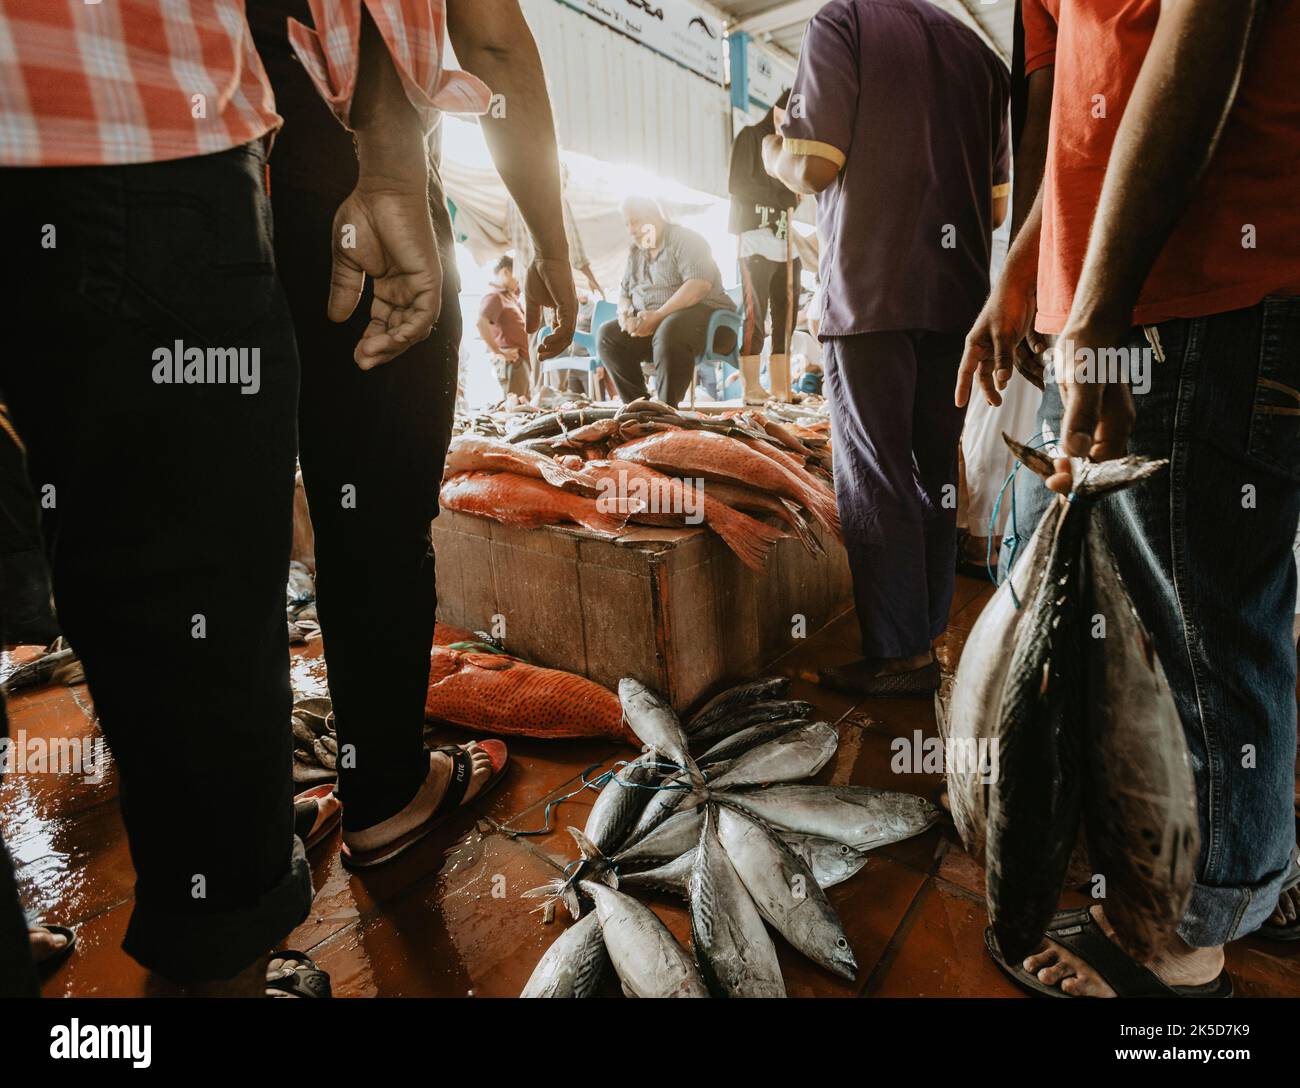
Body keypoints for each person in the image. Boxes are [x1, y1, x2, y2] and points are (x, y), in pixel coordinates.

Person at [1, 0, 460, 996]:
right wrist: (388, 155)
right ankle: (226, 956)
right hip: (117, 121)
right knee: (185, 617)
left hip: (88, 118)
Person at [956, 0, 1300, 995]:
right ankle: (1226, 870)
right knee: (1173, 616)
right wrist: (1031, 265)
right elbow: (1087, 96)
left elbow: (1206, 24)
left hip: (1194, 274)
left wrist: (1100, 297)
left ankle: (1187, 943)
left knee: (1197, 630)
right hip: (1148, 282)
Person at [248, 0, 575, 871]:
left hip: (180, 192)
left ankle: (231, 835)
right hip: (344, 182)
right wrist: (549, 240)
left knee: (204, 529)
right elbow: (495, 43)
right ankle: (387, 792)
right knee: (375, 521)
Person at [763, 0, 1010, 697]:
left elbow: (814, 164)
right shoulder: (981, 57)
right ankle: (926, 630)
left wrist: (773, 152)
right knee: (934, 464)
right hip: (957, 296)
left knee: (874, 469)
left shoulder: (841, 22)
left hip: (871, 287)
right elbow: (994, 207)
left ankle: (898, 653)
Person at [599, 197, 737, 406]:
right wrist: (624, 315)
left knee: (670, 327)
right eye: (627, 223)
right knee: (608, 335)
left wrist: (659, 316)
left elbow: (698, 286)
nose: (631, 230)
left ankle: (666, 408)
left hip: (708, 323)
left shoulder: (686, 240)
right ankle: (639, 407)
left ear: (656, 218)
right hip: (659, 330)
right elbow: (624, 294)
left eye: (636, 221)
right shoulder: (636, 253)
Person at [729, 89, 801, 404]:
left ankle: (782, 388)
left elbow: (798, 194)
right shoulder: (750, 137)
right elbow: (737, 185)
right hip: (754, 238)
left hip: (786, 240)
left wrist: (790, 196)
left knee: (787, 316)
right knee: (755, 315)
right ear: (777, 109)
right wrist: (782, 196)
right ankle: (751, 388)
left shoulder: (794, 146)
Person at [476, 255, 533, 398]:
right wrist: (499, 352)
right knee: (516, 408)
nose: (518, 281)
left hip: (521, 360)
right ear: (505, 272)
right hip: (512, 361)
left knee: (523, 404)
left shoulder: (510, 296)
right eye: (517, 276)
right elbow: (481, 324)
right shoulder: (495, 297)